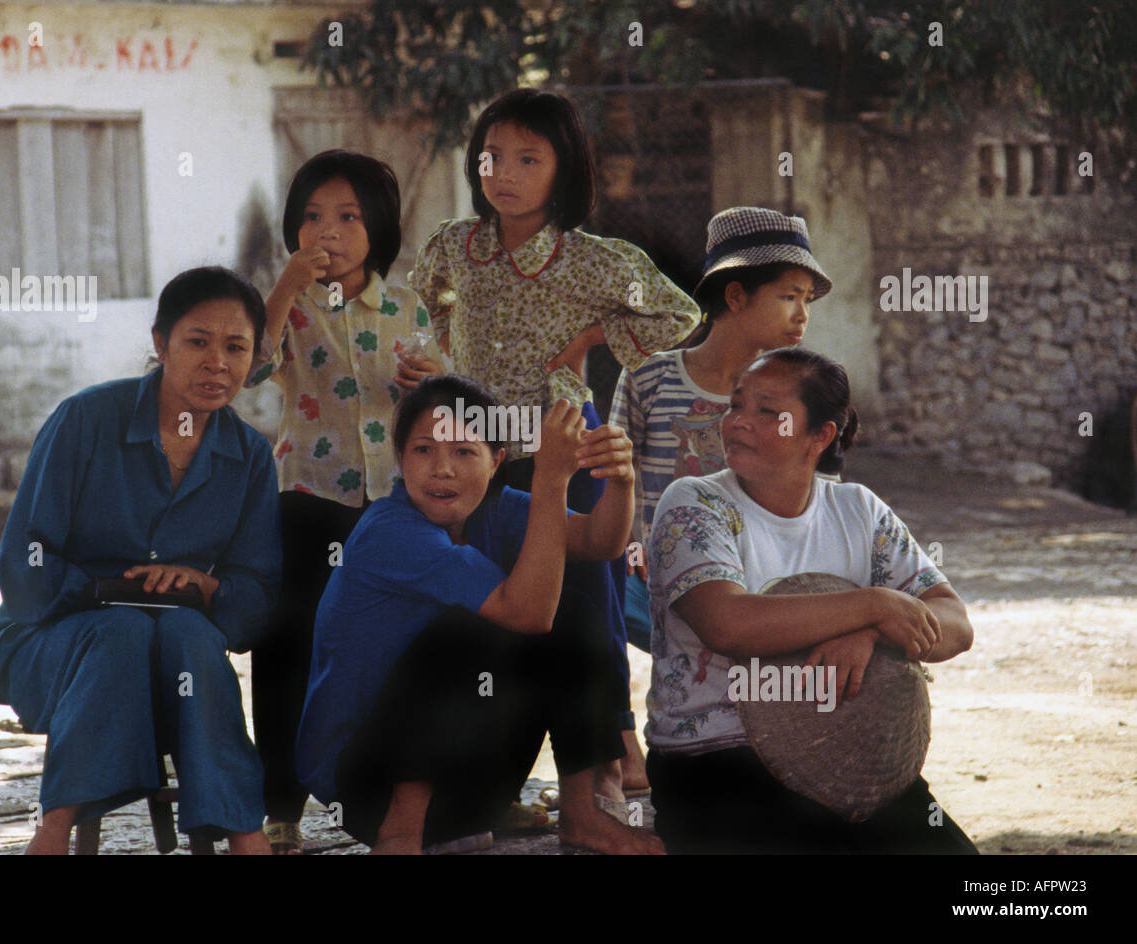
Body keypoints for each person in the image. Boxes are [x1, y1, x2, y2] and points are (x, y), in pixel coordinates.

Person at [406, 86, 700, 804]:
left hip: (563, 450)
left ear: (564, 169)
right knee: (487, 603)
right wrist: (446, 361)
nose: (502, 173)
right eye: (491, 157)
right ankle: (483, 778)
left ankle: (609, 758)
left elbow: (682, 312)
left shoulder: (595, 260)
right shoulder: (455, 245)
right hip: (477, 458)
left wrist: (591, 339)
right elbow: (425, 299)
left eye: (526, 159)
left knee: (584, 604)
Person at [0, 266, 282, 855]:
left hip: (173, 661)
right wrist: (106, 590)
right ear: (161, 343)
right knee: (120, 630)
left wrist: (205, 585)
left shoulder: (248, 457)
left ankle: (246, 835)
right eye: (198, 341)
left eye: (236, 346)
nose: (218, 362)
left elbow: (255, 595)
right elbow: (26, 561)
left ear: (253, 358)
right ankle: (54, 829)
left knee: (191, 631)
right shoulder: (85, 421)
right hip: (48, 646)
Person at [296, 375, 665, 855]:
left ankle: (583, 814)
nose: (442, 469)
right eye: (423, 450)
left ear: (496, 463)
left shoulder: (494, 510)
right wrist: (552, 479)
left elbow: (600, 541)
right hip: (368, 786)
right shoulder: (392, 531)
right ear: (400, 460)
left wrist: (620, 478)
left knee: (574, 610)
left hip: (471, 787)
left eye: (464, 452)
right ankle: (400, 835)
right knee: (462, 633)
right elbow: (527, 613)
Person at [645, 346, 978, 853]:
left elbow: (954, 623)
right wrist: (875, 606)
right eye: (736, 405)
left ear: (820, 436)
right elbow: (728, 624)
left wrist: (869, 632)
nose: (738, 422)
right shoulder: (695, 502)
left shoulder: (857, 509)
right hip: (719, 764)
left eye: (767, 411)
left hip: (850, 755)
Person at [244, 150, 439, 854]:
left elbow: (445, 405)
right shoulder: (290, 306)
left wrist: (433, 379)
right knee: (288, 646)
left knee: (393, 649)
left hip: (391, 506)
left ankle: (389, 794)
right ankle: (280, 805)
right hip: (306, 500)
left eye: (349, 216)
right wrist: (284, 285)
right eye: (313, 217)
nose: (329, 230)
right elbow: (253, 369)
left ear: (378, 226)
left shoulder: (410, 307)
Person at [611, 207, 832, 655]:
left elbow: (820, 498)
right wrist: (632, 549)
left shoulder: (804, 391)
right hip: (666, 591)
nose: (802, 315)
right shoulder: (649, 379)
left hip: (763, 591)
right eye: (790, 297)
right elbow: (614, 477)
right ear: (735, 296)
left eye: (808, 300)